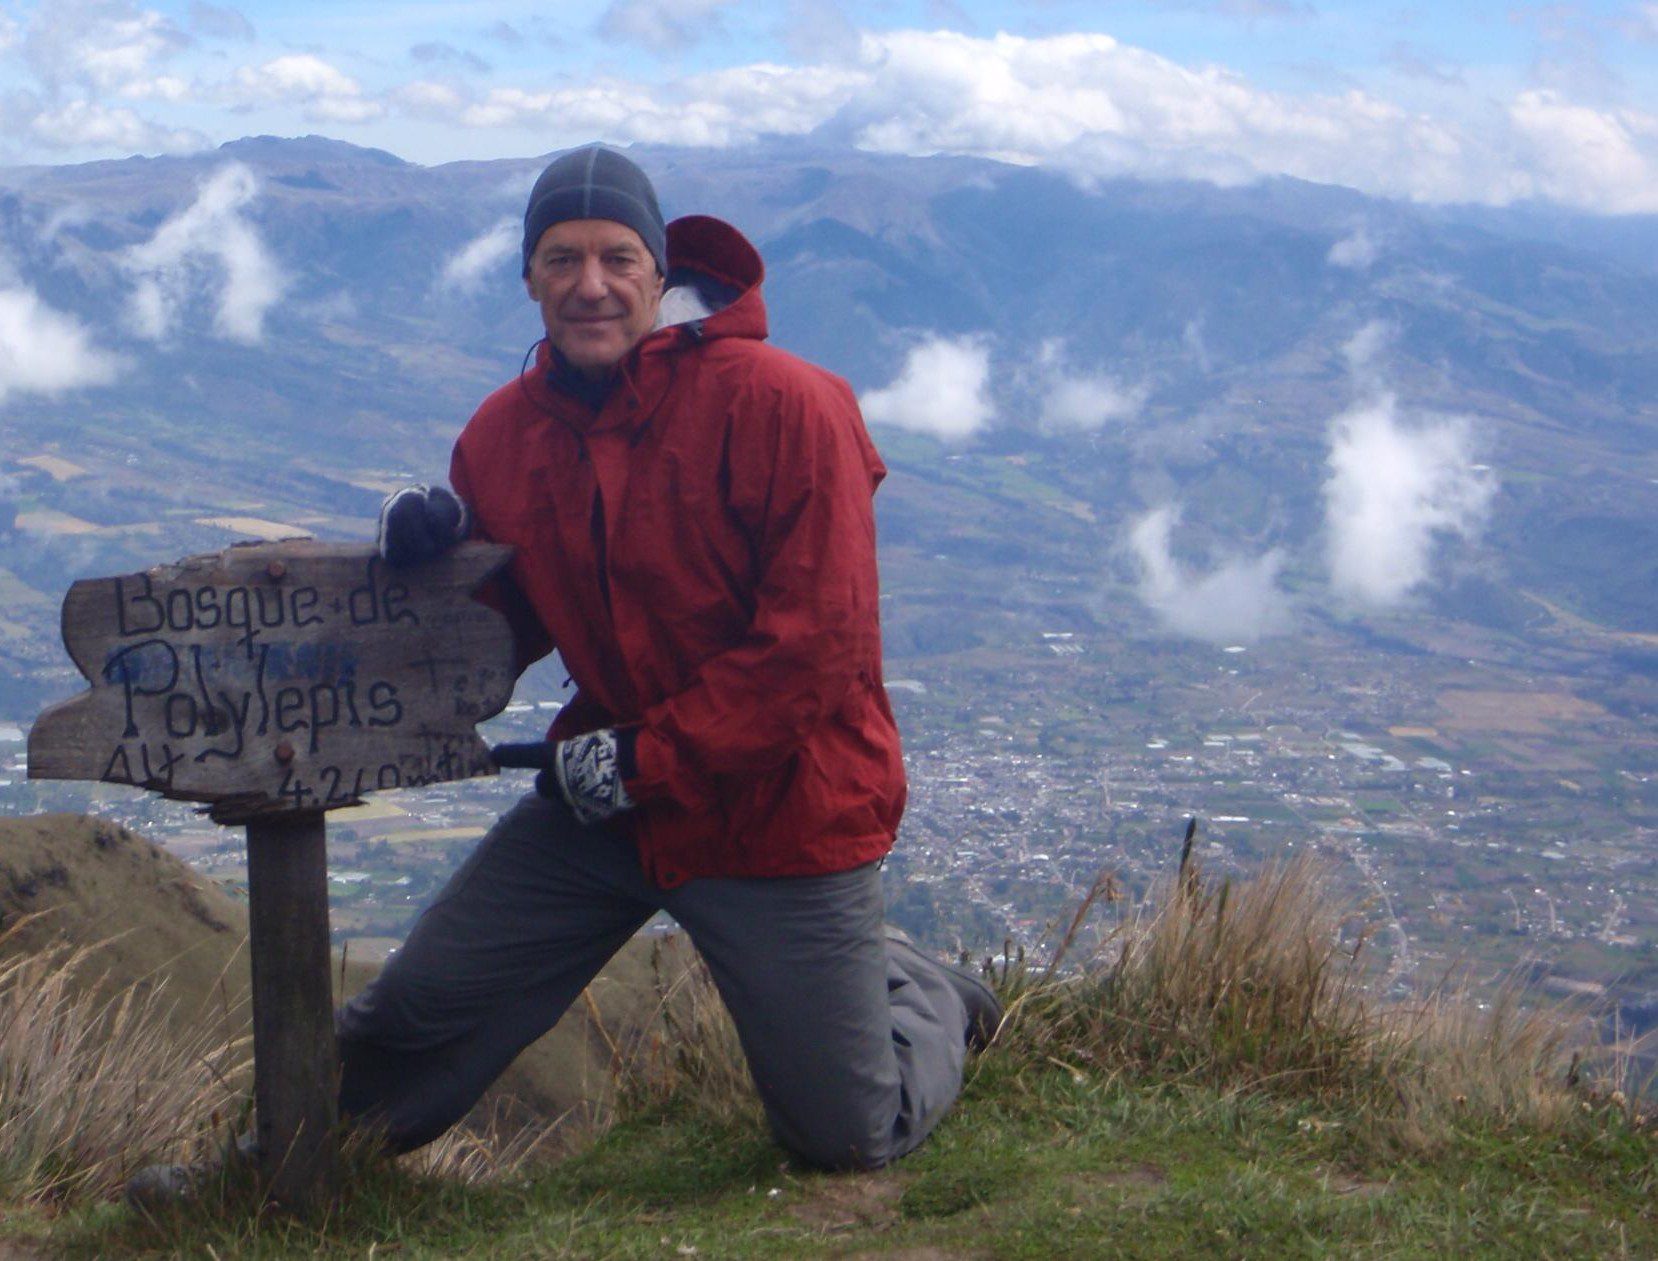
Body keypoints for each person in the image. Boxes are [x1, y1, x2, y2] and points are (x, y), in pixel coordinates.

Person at [137, 146, 1000, 1203]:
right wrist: (425, 565)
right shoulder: (503, 436)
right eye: (561, 259)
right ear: (528, 277)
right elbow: (500, 631)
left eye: (616, 257)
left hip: (777, 805)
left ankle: (929, 993)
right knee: (415, 1013)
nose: (590, 284)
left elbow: (814, 651)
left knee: (846, 1131)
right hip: (609, 798)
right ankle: (270, 1171)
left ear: (660, 271)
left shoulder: (788, 405)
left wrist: (642, 761)